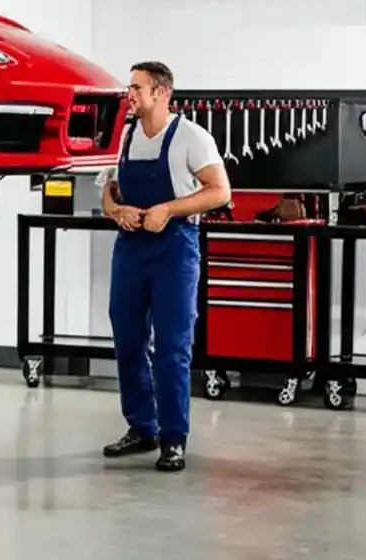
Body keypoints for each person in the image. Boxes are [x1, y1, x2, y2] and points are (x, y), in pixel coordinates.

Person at [98, 61, 231, 472]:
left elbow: (220, 192)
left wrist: (168, 210)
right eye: (129, 87)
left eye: (137, 88)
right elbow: (108, 192)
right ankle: (142, 427)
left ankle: (173, 438)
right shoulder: (123, 137)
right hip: (131, 248)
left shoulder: (191, 137)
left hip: (175, 249)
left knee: (172, 346)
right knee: (128, 337)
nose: (130, 95)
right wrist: (116, 210)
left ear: (162, 93)